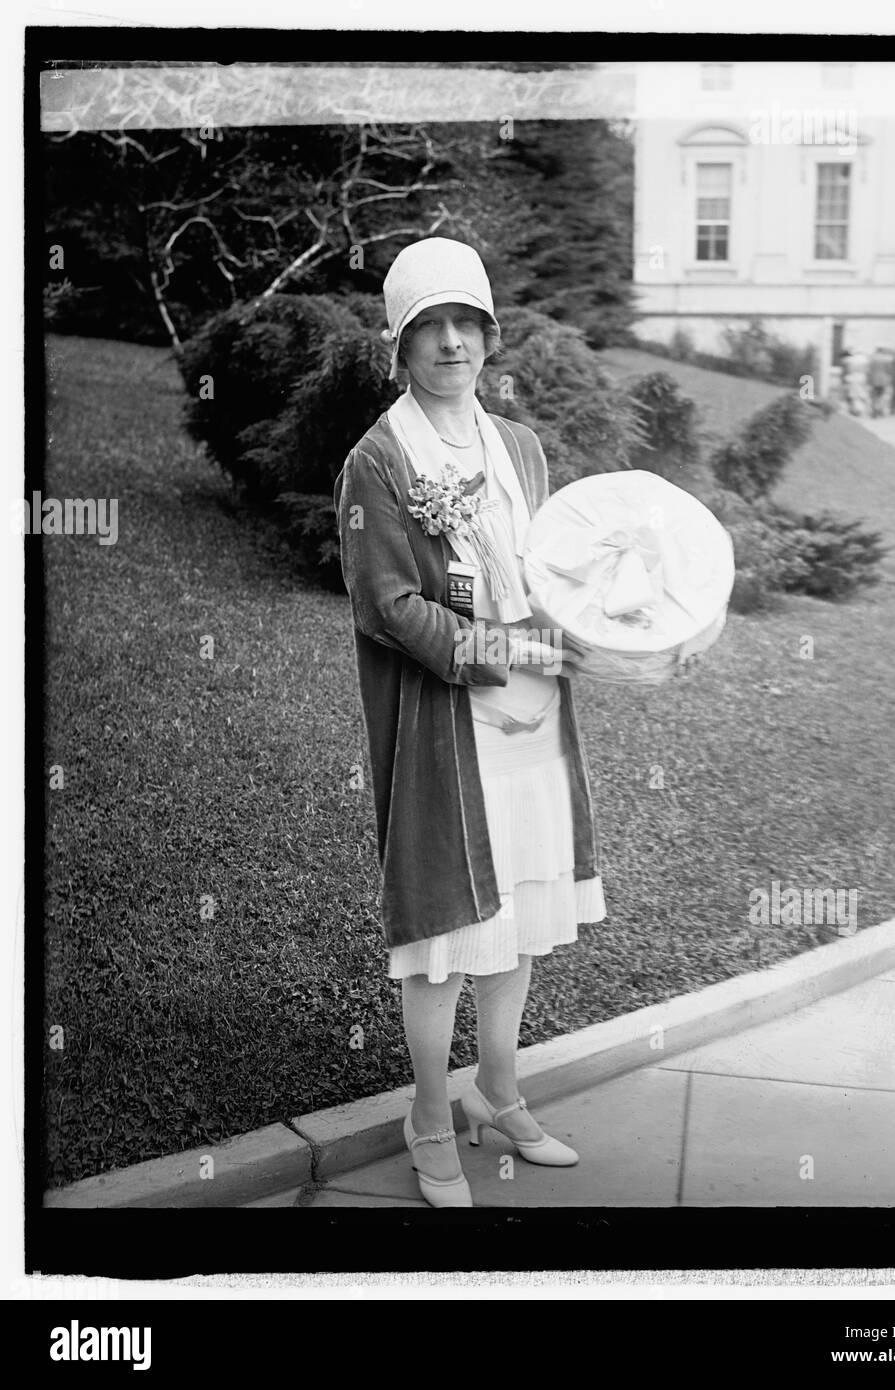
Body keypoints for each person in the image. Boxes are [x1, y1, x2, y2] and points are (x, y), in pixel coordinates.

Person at [335, 238, 607, 1207]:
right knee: (448, 931)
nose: (450, 342)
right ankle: (425, 1114)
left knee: (520, 914)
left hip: (528, 721)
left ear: (487, 335)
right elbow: (386, 605)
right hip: (446, 728)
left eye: (466, 323)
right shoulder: (377, 458)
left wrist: (613, 628)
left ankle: (496, 1090)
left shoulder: (520, 447)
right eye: (428, 327)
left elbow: (551, 575)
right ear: (398, 345)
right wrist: (498, 651)